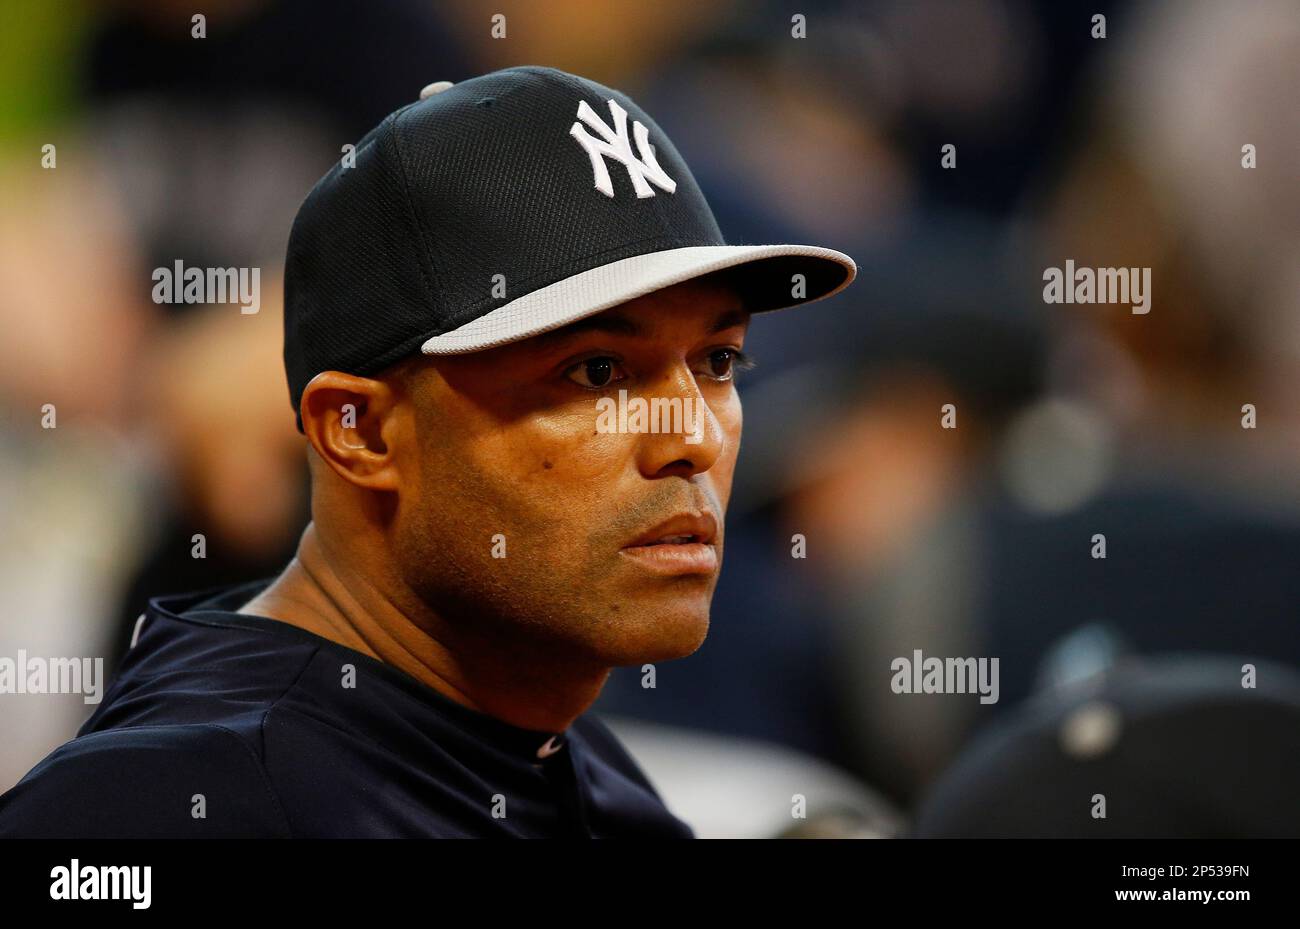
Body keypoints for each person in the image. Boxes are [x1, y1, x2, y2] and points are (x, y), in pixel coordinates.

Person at [0, 66, 855, 837]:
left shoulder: (573, 771)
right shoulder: (166, 809)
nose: (696, 438)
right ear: (361, 431)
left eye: (717, 361)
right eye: (597, 371)